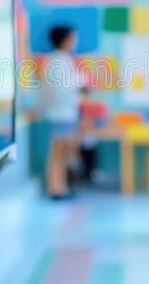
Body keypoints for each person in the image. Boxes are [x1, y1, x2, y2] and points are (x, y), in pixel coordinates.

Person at [39, 25, 83, 199]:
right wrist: (80, 86)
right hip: (62, 113)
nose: (75, 42)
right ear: (65, 40)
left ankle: (60, 186)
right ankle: (56, 187)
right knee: (59, 152)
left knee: (61, 153)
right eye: (73, 38)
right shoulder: (60, 60)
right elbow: (63, 89)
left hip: (62, 112)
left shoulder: (56, 60)